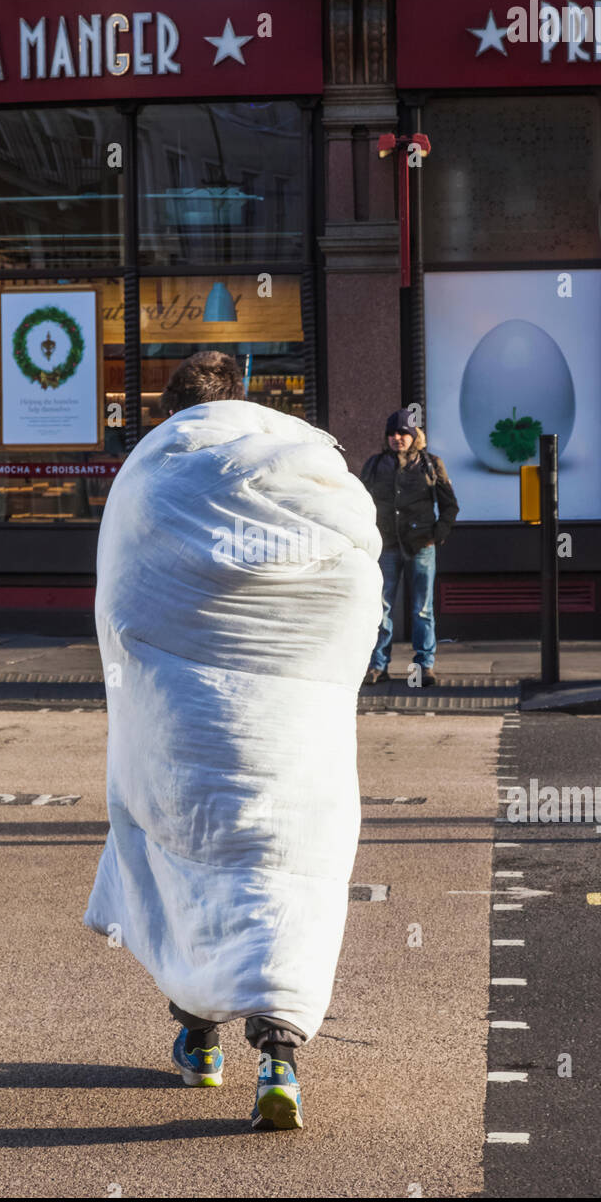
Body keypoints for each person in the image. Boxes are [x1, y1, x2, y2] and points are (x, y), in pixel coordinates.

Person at [84, 350, 382, 1132]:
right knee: (289, 869)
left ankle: (200, 1041)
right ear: (240, 397)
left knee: (186, 863)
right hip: (289, 730)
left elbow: (121, 600)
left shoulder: (153, 470)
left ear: (171, 406)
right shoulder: (301, 456)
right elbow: (354, 569)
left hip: (183, 725)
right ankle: (279, 1056)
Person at [360, 408, 459, 688]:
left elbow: (450, 505)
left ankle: (424, 667)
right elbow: (358, 500)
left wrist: (437, 534)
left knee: (422, 609)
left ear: (415, 435)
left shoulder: (431, 464)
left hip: (421, 545)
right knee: (380, 607)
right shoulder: (375, 465)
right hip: (386, 544)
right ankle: (378, 666)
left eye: (403, 432)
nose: (397, 438)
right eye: (392, 433)